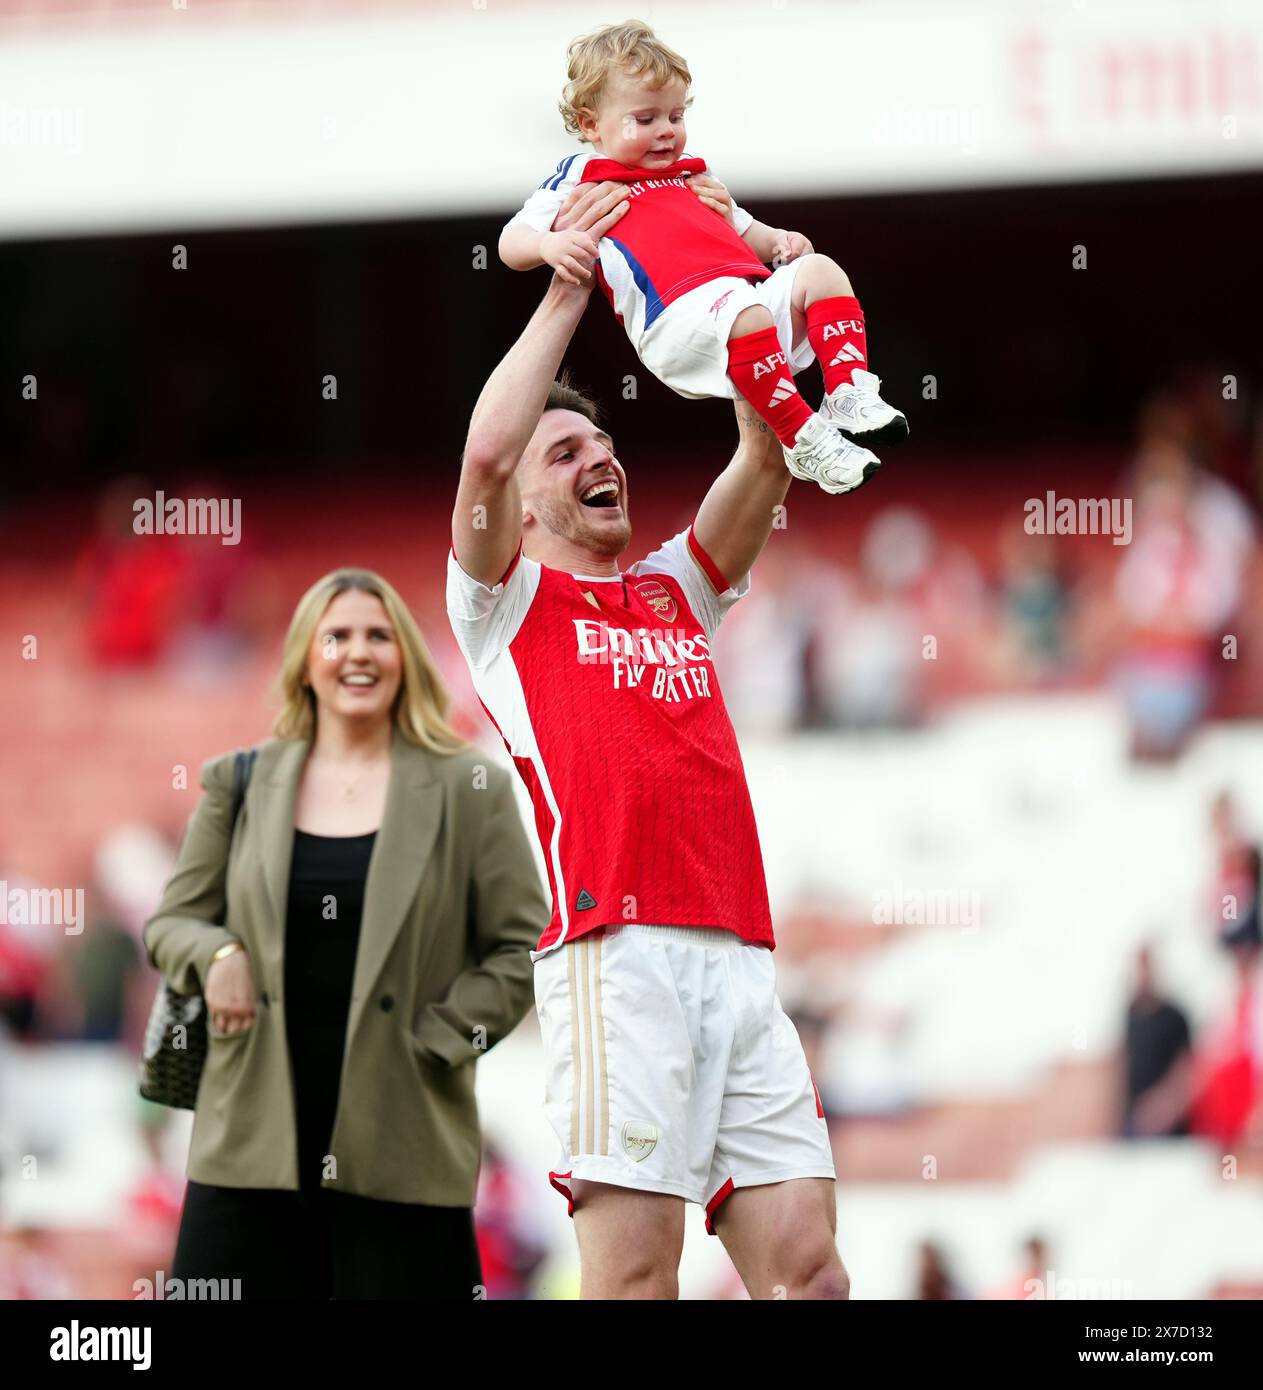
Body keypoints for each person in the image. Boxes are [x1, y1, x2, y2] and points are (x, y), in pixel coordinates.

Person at [447, 231, 848, 1299]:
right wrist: (570, 293)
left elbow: (764, 456)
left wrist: (757, 314)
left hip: (740, 955)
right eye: (565, 453)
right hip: (616, 957)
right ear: (523, 507)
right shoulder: (503, 607)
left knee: (811, 1274)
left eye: (604, 442)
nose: (598, 460)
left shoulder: (679, 588)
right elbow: (486, 455)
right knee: (634, 1281)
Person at [144, 568, 547, 1298]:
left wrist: (447, 1038)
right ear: (305, 658)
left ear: (406, 658)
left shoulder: (469, 789)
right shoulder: (235, 783)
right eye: (337, 636)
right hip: (249, 1143)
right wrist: (218, 952)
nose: (358, 653)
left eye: (378, 636)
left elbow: (525, 947)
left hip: (405, 1136)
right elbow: (172, 924)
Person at [499, 18, 907, 496]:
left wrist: (781, 241)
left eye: (676, 117)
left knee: (820, 271)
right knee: (747, 312)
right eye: (645, 119)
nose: (667, 132)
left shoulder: (694, 174)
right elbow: (511, 241)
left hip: (740, 304)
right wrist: (549, 244)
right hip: (675, 321)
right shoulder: (581, 174)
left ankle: (846, 391)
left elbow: (745, 229)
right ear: (591, 124)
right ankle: (802, 438)